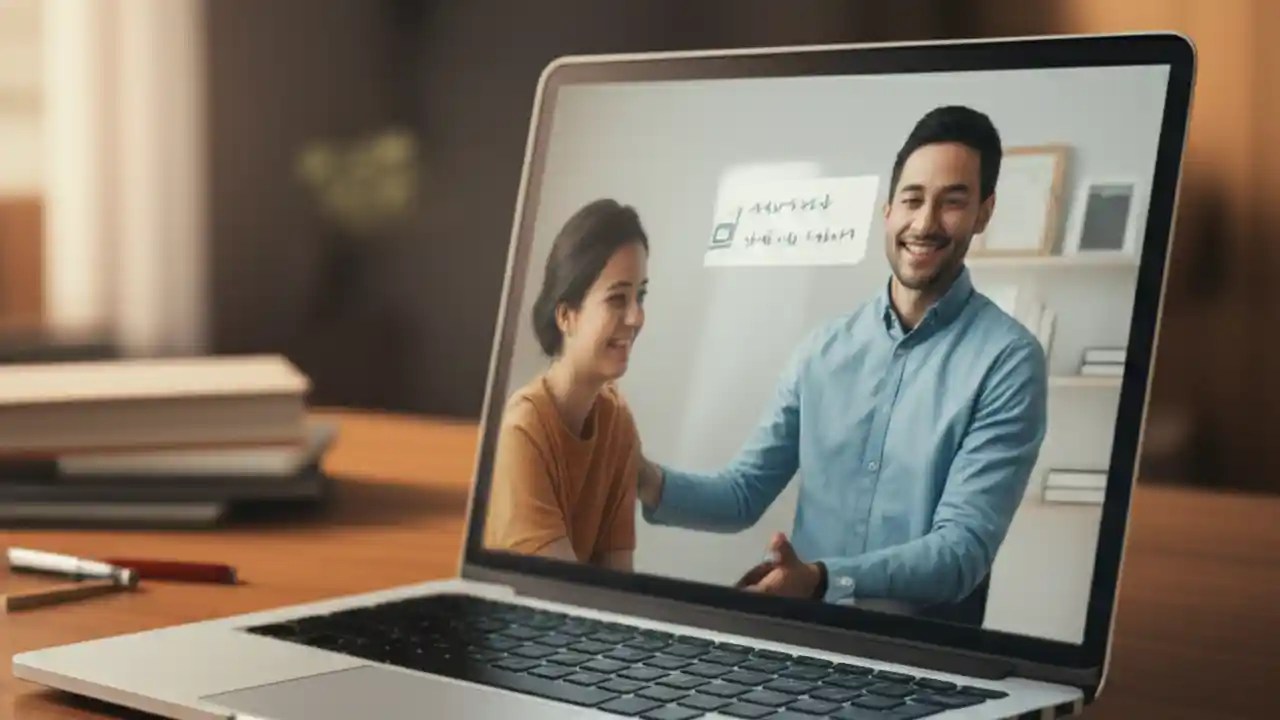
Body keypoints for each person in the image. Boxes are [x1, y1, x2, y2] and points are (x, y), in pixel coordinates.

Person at [637, 105, 1047, 621]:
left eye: (952, 202)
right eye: (912, 199)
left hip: (924, 657)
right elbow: (743, 493)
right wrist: (641, 477)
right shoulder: (822, 350)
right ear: (887, 210)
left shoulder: (1008, 361)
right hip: (803, 639)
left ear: (983, 214)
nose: (924, 223)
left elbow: (960, 554)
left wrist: (823, 580)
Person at [484, 198, 649, 572]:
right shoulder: (523, 429)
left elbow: (617, 583)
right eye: (617, 298)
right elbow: (557, 592)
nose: (636, 317)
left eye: (640, 296)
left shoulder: (617, 421)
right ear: (566, 316)